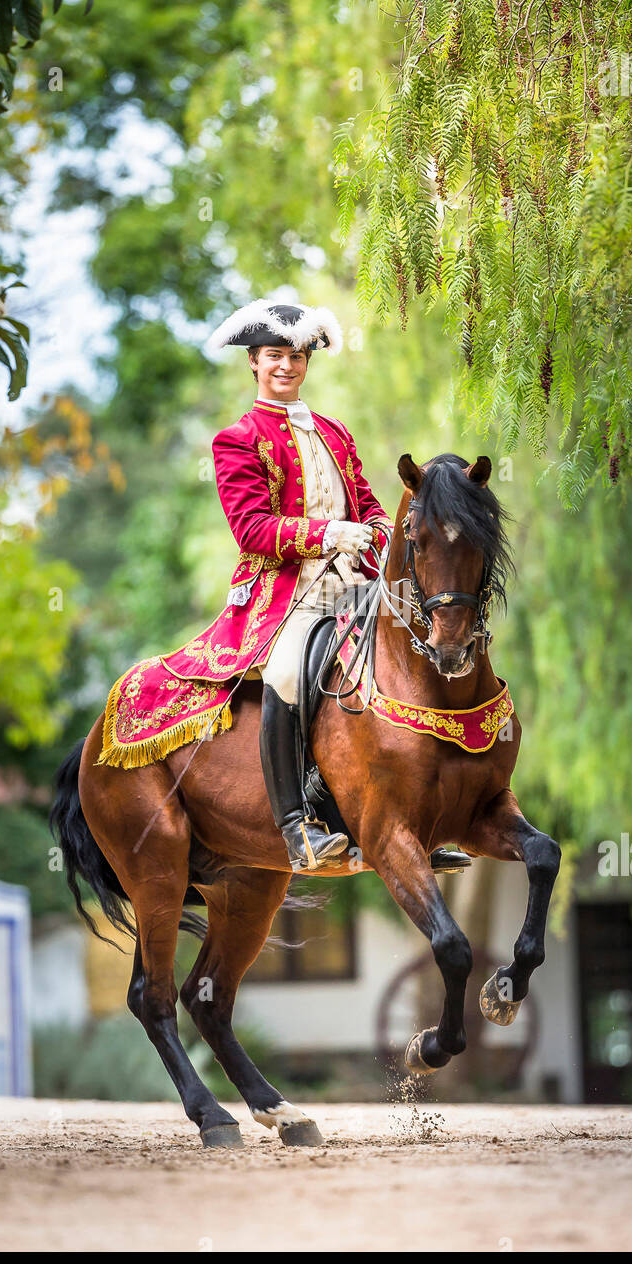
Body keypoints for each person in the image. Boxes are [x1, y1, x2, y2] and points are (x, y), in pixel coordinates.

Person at [208, 300, 393, 869]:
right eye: (273, 357)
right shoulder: (237, 438)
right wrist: (330, 533)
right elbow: (252, 529)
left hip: (353, 589)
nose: (285, 366)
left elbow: (367, 502)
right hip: (284, 596)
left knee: (418, 647)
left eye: (295, 357)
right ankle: (297, 827)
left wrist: (381, 534)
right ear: (253, 363)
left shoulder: (336, 432)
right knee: (288, 671)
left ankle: (417, 813)